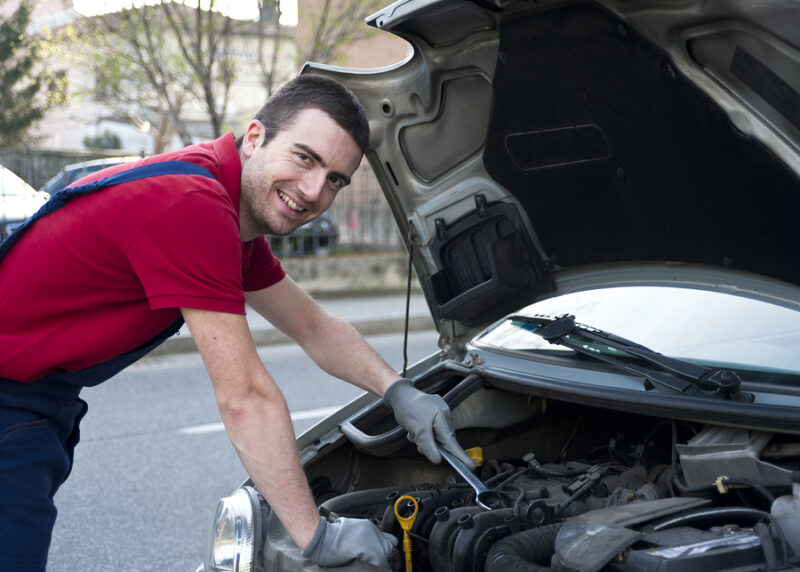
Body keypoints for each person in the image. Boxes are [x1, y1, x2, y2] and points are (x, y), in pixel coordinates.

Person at [0, 75, 475, 571]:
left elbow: (309, 323)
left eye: (335, 179)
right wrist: (315, 536)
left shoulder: (224, 204)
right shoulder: (192, 205)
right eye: (304, 158)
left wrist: (397, 390)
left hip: (34, 398)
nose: (314, 191)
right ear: (254, 138)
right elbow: (243, 397)